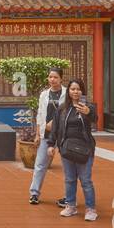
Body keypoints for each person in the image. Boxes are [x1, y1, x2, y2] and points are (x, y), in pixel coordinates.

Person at [55, 79, 97, 222]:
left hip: (85, 148)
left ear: (82, 91)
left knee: (85, 180)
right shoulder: (63, 108)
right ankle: (71, 206)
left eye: (78, 89)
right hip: (67, 148)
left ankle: (90, 209)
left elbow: (95, 119)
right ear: (68, 91)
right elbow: (56, 127)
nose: (75, 92)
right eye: (72, 89)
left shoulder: (88, 106)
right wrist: (51, 144)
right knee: (69, 179)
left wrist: (88, 112)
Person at [28, 67, 66, 205]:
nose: (52, 80)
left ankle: (68, 196)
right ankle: (34, 193)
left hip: (64, 134)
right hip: (47, 134)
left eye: (55, 77)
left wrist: (55, 123)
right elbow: (40, 114)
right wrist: (38, 134)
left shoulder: (67, 93)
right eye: (50, 77)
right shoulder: (44, 94)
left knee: (67, 167)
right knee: (40, 164)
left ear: (61, 78)